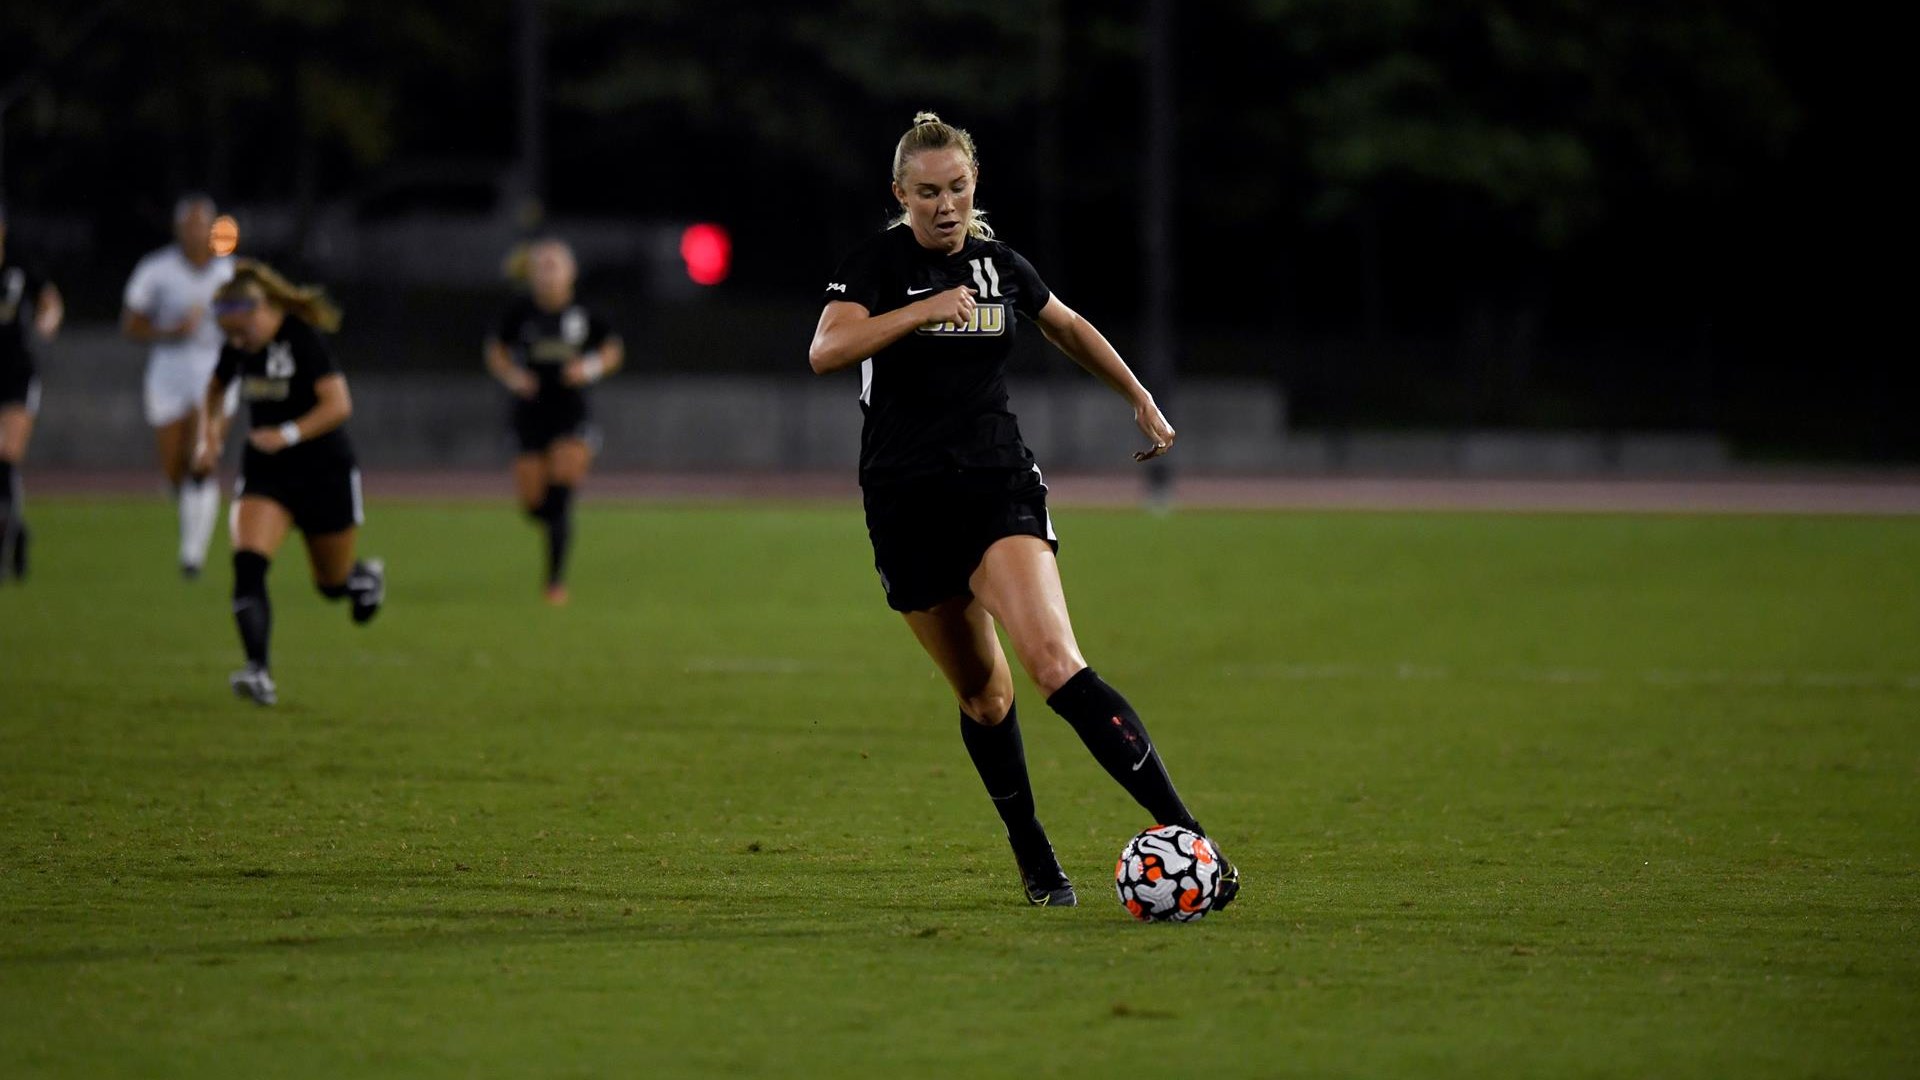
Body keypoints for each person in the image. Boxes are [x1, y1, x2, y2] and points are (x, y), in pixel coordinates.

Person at [806, 112, 1239, 910]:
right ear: (899, 194)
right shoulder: (875, 265)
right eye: (927, 192)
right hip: (905, 502)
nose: (945, 205)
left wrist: (1138, 396)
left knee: (1054, 664)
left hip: (995, 481)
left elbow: (1065, 324)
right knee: (985, 696)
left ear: (975, 185)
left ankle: (1193, 838)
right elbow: (826, 350)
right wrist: (920, 312)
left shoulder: (1000, 265)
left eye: (957, 188)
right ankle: (1032, 850)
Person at [192, 260, 384, 706]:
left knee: (331, 585)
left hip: (323, 470)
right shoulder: (239, 344)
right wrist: (209, 438)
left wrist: (288, 433)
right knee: (248, 565)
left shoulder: (301, 338)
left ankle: (362, 579)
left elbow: (338, 405)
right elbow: (215, 390)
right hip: (267, 471)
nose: (240, 343)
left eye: (243, 332)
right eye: (232, 335)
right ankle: (258, 671)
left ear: (262, 309)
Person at [484, 238, 624, 605]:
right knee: (534, 505)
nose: (547, 274)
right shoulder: (519, 311)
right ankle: (554, 530)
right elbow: (496, 351)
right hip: (530, 413)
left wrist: (588, 368)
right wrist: (515, 377)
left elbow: (612, 350)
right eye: (541, 266)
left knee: (561, 491)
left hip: (570, 411)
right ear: (530, 274)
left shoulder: (586, 311)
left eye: (554, 265)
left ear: (570, 272)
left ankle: (555, 582)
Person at [122, 193, 236, 580]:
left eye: (202, 225)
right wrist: (171, 330)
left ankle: (192, 555)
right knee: (175, 469)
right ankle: (188, 510)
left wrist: (232, 325)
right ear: (178, 229)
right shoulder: (156, 269)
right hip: (168, 373)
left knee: (201, 460)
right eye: (190, 226)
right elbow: (131, 324)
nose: (196, 233)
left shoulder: (229, 273)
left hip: (216, 373)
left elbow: (252, 324)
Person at [0, 205, 66, 584]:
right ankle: (18, 530)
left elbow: (49, 298)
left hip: (16, 372)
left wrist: (47, 321)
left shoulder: (18, 264)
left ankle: (7, 536)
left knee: (7, 458)